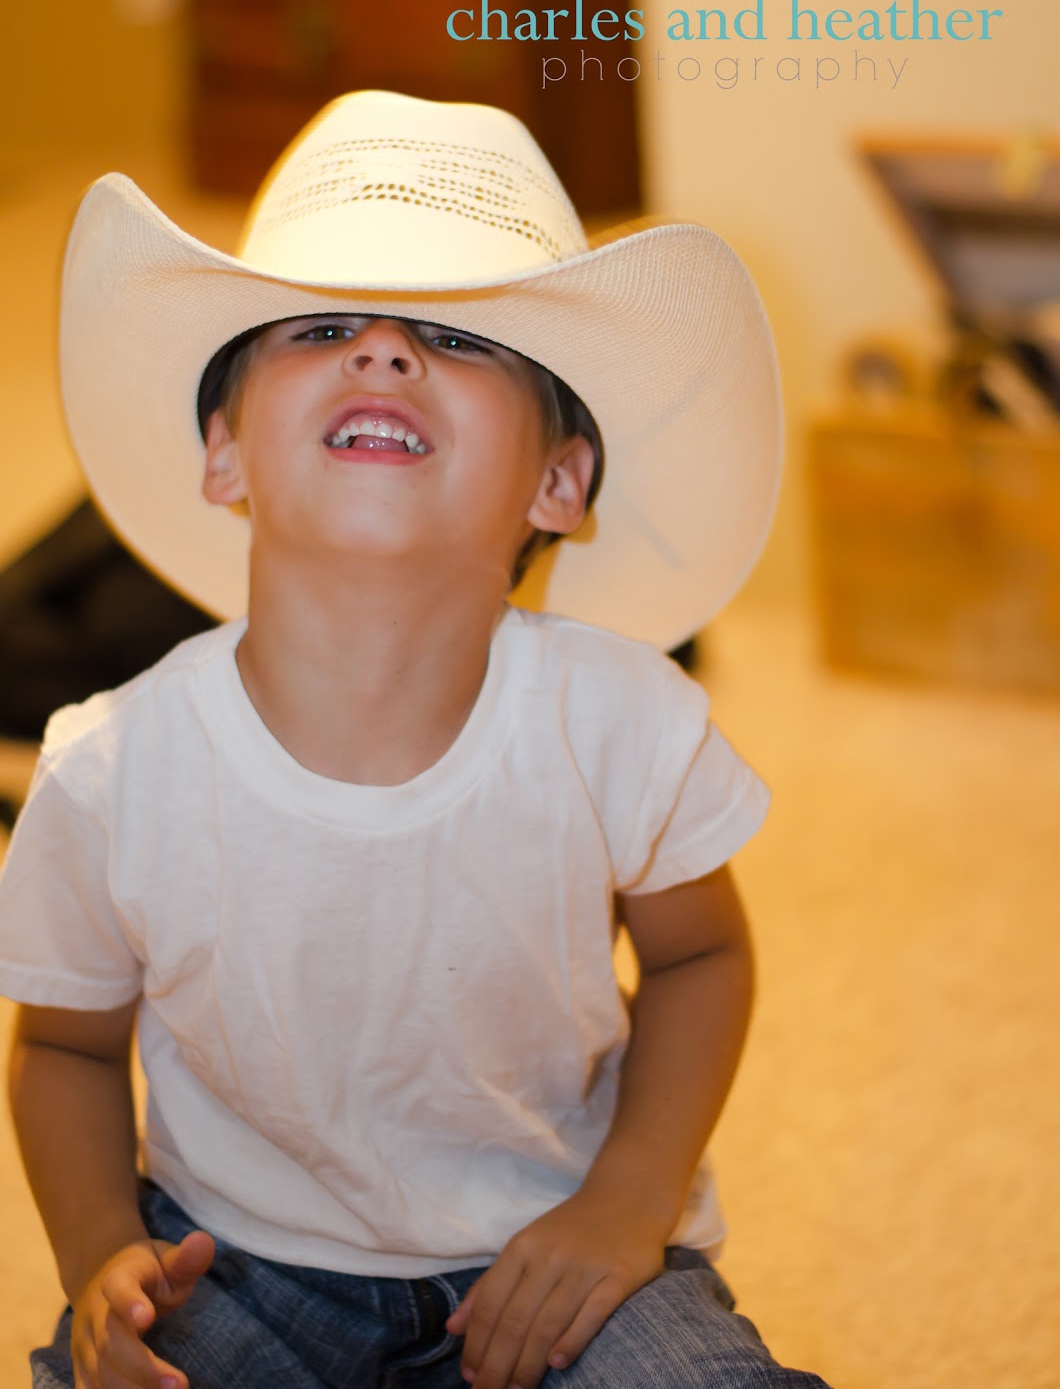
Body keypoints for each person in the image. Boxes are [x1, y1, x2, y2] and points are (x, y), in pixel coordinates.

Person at [0, 90, 829, 1389]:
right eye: (322, 326)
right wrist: (100, 1252)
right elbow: (61, 1046)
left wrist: (627, 1203)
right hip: (231, 1268)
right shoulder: (111, 769)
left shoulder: (616, 722)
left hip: (558, 1263)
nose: (384, 351)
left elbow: (702, 958)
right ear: (225, 452)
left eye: (455, 335)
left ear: (560, 483)